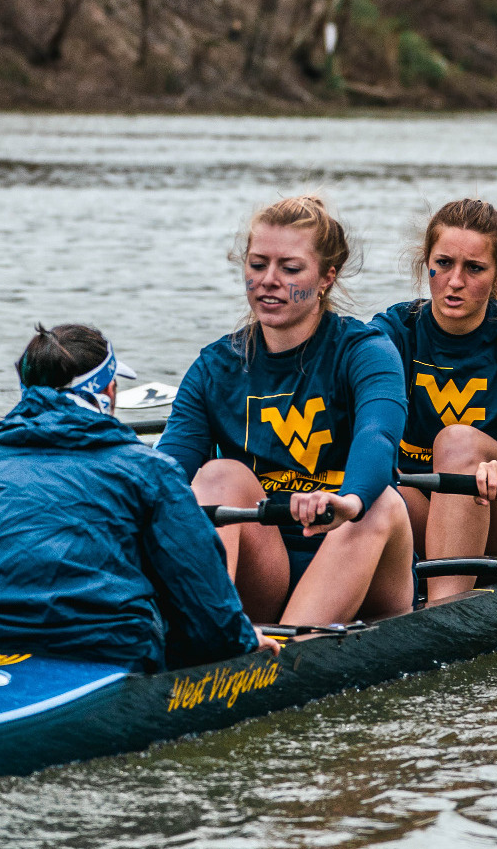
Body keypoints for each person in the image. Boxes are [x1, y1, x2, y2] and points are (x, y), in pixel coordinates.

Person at [158, 195, 415, 626]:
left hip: (359, 556)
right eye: (258, 265)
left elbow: (379, 436)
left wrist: (349, 500)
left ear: (326, 277)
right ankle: (200, 638)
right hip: (269, 566)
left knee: (381, 502)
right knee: (220, 475)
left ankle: (287, 651)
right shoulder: (215, 366)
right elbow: (169, 467)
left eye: (290, 269)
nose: (269, 281)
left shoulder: (365, 352)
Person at [0, 324, 269, 673]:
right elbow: (199, 591)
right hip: (102, 647)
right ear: (107, 390)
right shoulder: (149, 469)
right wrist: (240, 640)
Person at [372, 198, 497, 600]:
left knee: (458, 442)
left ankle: (442, 608)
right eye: (443, 263)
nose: (455, 281)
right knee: (372, 484)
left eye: (474, 268)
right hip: (423, 509)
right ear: (426, 261)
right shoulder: (394, 330)